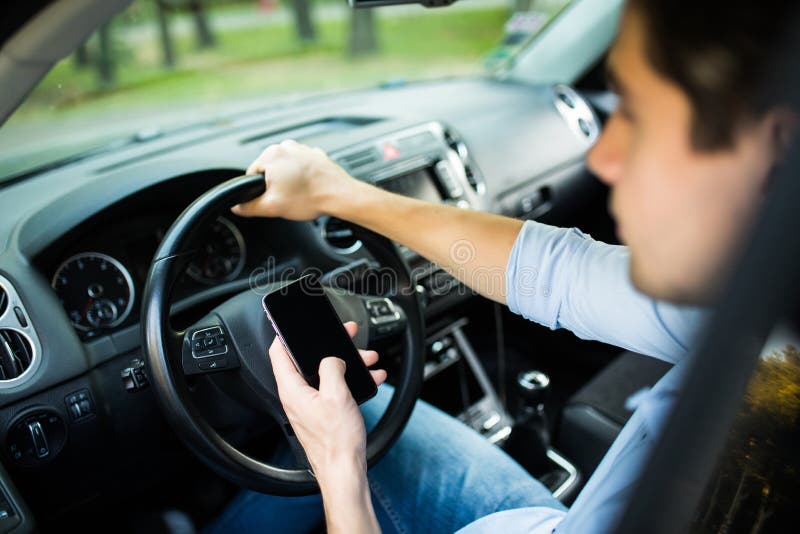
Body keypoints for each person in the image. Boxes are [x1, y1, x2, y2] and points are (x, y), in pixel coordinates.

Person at [204, 0, 798, 532]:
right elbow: (558, 273)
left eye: (637, 113)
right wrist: (340, 192)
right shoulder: (761, 310)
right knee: (354, 401)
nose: (606, 155)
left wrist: (340, 468)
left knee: (334, 410)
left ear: (774, 147)